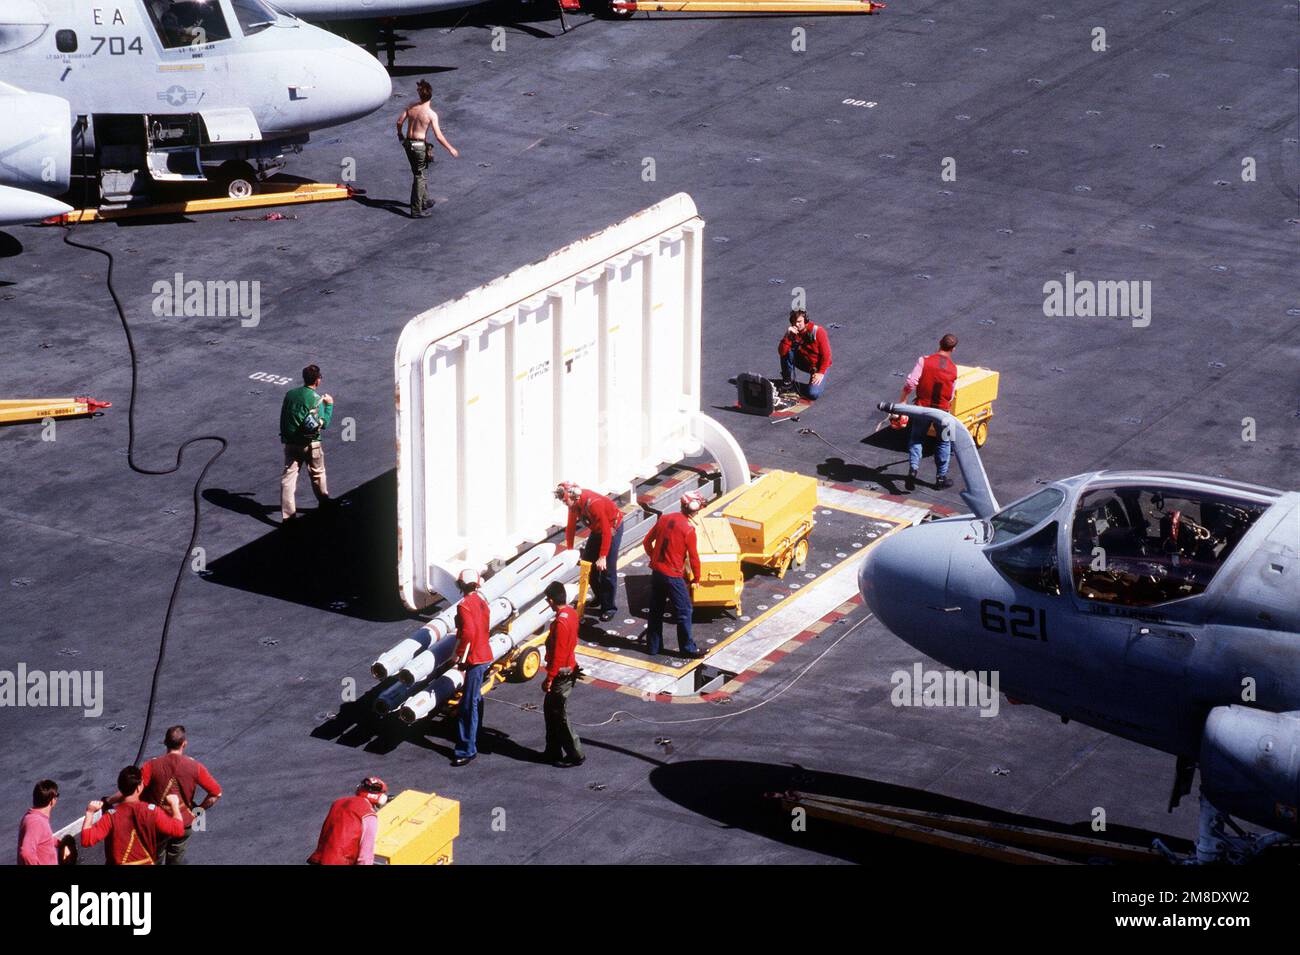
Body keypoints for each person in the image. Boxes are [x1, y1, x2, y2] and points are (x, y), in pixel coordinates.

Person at [135, 725, 222, 865]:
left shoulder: (151, 765)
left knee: (153, 858)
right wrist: (197, 812)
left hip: (158, 824)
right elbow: (216, 793)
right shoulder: (195, 766)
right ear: (184, 743)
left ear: (165, 742)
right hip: (183, 822)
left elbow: (136, 792)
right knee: (175, 859)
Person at [642, 491, 706, 659]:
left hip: (657, 572)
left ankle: (653, 647)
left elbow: (647, 542)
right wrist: (697, 579)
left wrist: (654, 558)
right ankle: (688, 649)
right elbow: (693, 558)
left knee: (656, 610)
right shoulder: (688, 530)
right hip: (673, 576)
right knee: (685, 610)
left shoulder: (664, 518)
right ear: (694, 509)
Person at [80, 766, 185, 866]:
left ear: (120, 788)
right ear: (139, 788)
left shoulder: (111, 816)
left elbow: (87, 840)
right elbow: (178, 830)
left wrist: (90, 812)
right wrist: (174, 805)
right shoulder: (152, 812)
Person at [898, 334, 959, 491]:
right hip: (943, 412)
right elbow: (951, 395)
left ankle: (913, 469)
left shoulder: (923, 361)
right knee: (945, 441)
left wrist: (904, 399)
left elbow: (911, 382)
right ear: (954, 349)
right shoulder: (954, 369)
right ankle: (940, 478)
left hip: (922, 408)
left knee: (917, 438)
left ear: (939, 343)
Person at [556, 482, 624, 622]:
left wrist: (603, 556)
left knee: (607, 570)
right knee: (588, 565)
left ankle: (609, 607)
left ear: (573, 496)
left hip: (611, 529)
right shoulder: (574, 505)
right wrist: (570, 549)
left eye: (565, 500)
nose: (564, 504)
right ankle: (599, 597)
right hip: (597, 529)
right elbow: (571, 527)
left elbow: (606, 531)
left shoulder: (594, 503)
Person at [395, 79, 459, 219]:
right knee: (419, 177)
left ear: (420, 95)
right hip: (419, 146)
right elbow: (438, 136)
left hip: (408, 144)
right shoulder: (431, 114)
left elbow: (399, 122)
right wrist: (450, 148)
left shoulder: (411, 107)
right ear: (431, 96)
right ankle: (416, 209)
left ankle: (425, 201)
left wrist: (400, 135)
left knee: (419, 173)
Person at [279, 363, 333, 522]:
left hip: (291, 444)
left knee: (288, 479)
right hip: (311, 444)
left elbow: (284, 417)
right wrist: (329, 405)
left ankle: (288, 517)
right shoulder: (316, 399)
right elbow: (324, 423)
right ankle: (324, 503)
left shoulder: (290, 394)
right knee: (318, 473)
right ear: (317, 381)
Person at [540, 581, 584, 768]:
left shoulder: (560, 622)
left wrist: (549, 679)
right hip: (569, 669)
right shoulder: (571, 614)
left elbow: (558, 654)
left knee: (558, 714)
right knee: (551, 711)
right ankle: (553, 751)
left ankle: (575, 754)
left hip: (561, 674)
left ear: (551, 600)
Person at [451, 568, 492, 767]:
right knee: (475, 698)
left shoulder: (464, 605)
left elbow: (468, 633)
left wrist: (460, 656)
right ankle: (477, 734)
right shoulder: (482, 602)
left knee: (468, 705)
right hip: (485, 654)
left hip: (475, 658)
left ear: (460, 585)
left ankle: (467, 748)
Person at [308, 777, 387, 866]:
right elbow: (365, 857)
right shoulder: (369, 815)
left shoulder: (338, 803)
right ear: (382, 798)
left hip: (318, 860)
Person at [777, 309, 832, 400]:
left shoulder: (818, 331)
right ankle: (787, 383)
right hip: (805, 362)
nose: (797, 324)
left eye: (799, 322)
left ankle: (802, 386)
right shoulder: (793, 332)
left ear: (806, 320)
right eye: (794, 322)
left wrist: (821, 373)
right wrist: (787, 336)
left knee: (813, 393)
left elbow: (827, 356)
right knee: (787, 351)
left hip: (818, 366)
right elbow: (782, 352)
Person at [17, 779, 61, 865]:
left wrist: (60, 843)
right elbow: (26, 853)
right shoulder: (36, 822)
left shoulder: (32, 816)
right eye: (57, 795)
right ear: (52, 800)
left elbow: (42, 838)